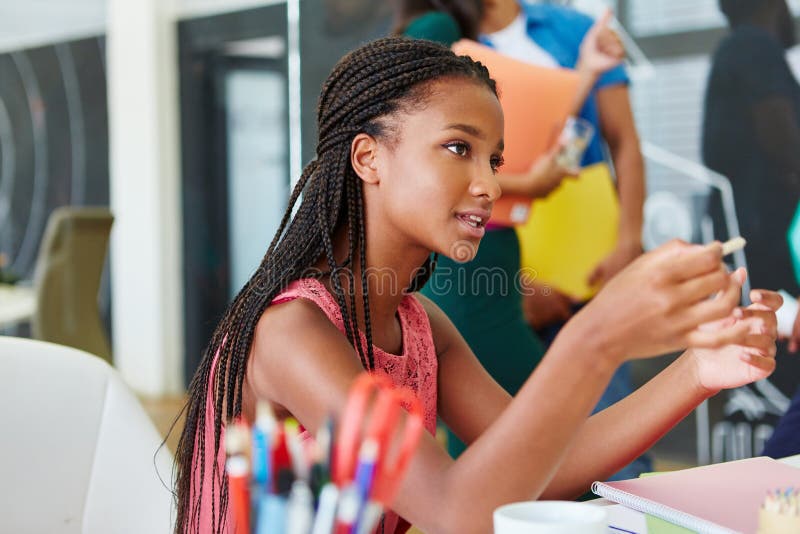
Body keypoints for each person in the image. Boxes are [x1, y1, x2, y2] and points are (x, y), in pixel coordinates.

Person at [174, 37, 780, 534]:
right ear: (367, 158)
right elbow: (454, 511)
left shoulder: (421, 328)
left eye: (493, 160)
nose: (490, 185)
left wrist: (698, 370)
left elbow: (545, 467)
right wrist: (597, 335)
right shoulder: (292, 333)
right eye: (458, 148)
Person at [703, 0, 800, 457]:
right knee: (773, 350)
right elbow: (783, 136)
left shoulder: (735, 50)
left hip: (751, 230)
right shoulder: (753, 46)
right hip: (763, 234)